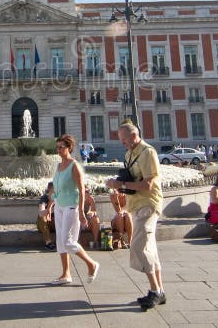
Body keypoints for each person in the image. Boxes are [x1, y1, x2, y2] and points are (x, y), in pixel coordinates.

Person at [105, 122, 164, 311]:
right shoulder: (129, 154)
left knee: (139, 245)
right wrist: (120, 187)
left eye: (123, 139)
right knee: (150, 248)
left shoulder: (148, 153)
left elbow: (148, 184)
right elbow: (132, 182)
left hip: (149, 203)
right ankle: (159, 291)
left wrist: (120, 183)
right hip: (136, 205)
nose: (121, 143)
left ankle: (155, 291)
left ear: (133, 136)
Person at [48, 134, 99, 286]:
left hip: (71, 206)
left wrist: (82, 212)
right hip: (59, 207)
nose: (58, 150)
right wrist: (51, 205)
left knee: (68, 242)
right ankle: (66, 274)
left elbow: (82, 190)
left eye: (61, 147)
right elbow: (56, 188)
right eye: (57, 147)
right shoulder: (58, 166)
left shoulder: (74, 165)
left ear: (69, 148)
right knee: (60, 242)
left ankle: (91, 264)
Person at [37, 181, 56, 251]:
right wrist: (52, 208)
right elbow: (41, 213)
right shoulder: (44, 198)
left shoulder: (59, 198)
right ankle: (48, 243)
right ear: (49, 190)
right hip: (43, 225)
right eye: (54, 190)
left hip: (54, 224)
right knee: (42, 217)